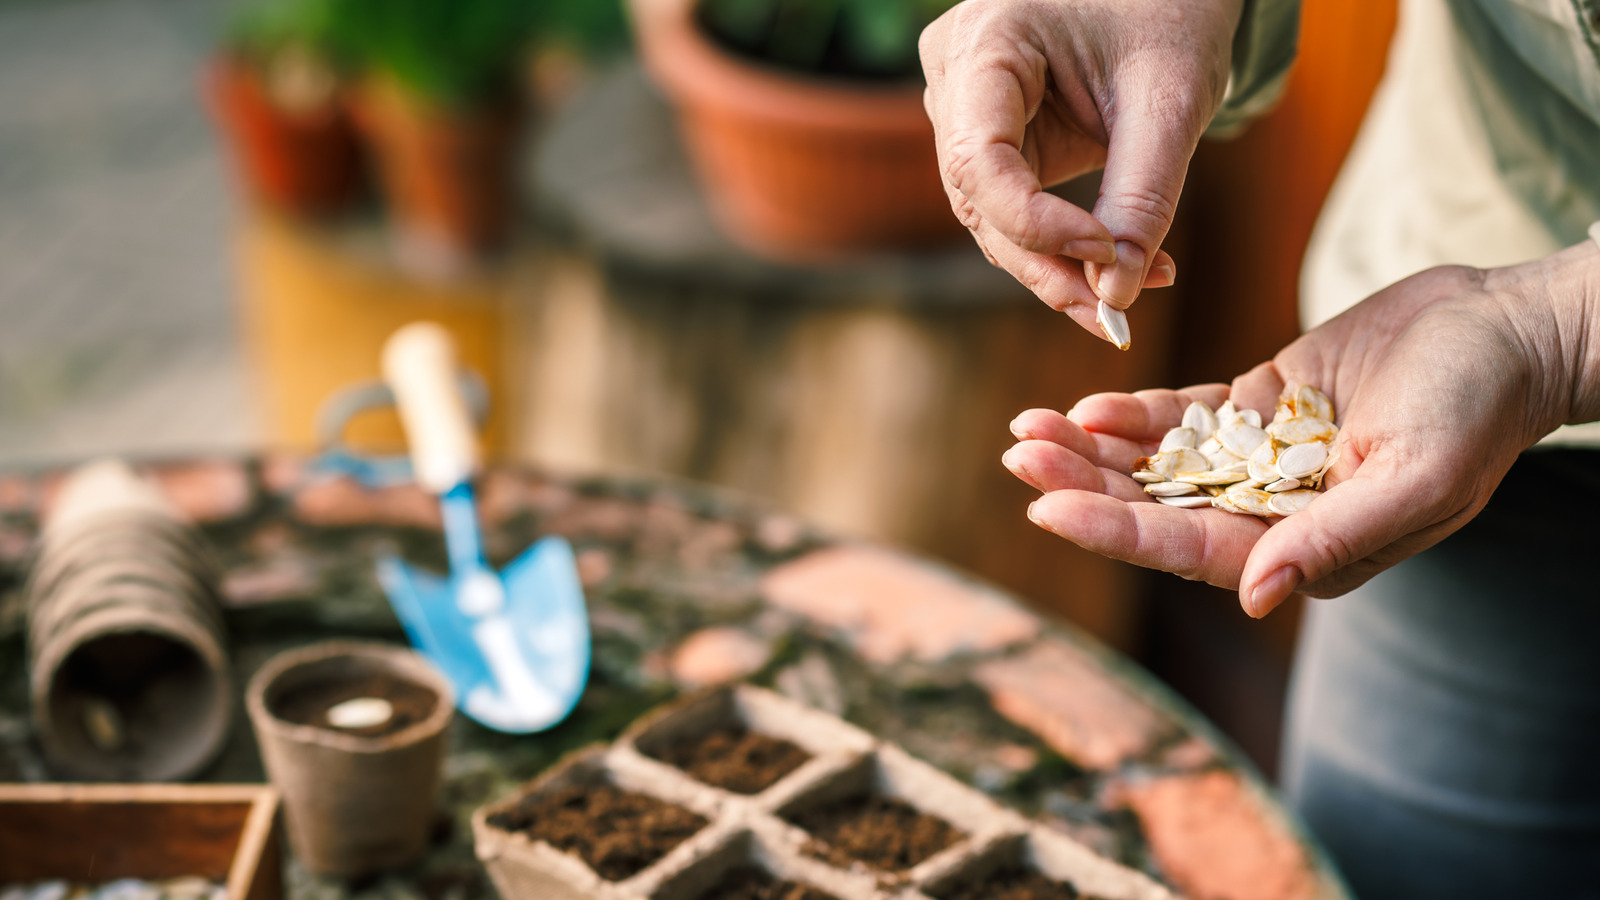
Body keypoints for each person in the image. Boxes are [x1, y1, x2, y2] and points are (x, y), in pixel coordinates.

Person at [918, 0, 1600, 897]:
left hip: (1510, 343)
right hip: (1492, 246)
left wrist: (1561, 330)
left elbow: (1552, 334)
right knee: (1381, 867)